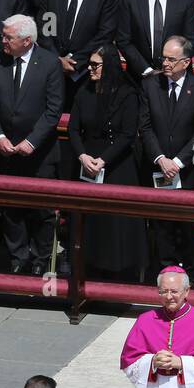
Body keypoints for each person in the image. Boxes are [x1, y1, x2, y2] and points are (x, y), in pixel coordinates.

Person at [0, 14, 64, 275]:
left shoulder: (50, 63)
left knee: (41, 210)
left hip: (40, 152)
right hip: (6, 148)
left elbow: (53, 110)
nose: (2, 40)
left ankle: (40, 259)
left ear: (27, 41)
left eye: (8, 37)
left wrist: (31, 141)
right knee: (11, 208)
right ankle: (18, 257)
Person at [68, 42, 146, 279]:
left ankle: (118, 273)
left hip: (116, 162)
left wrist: (102, 160)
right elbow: (73, 129)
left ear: (108, 65)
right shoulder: (84, 91)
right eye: (89, 64)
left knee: (115, 223)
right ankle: (87, 268)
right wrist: (82, 155)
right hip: (87, 160)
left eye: (95, 65)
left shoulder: (127, 94)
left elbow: (127, 134)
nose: (90, 69)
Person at [138, 36, 194, 279]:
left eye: (171, 59)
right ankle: (163, 274)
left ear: (187, 62)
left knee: (187, 228)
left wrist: (177, 163)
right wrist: (161, 158)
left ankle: (189, 274)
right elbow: (145, 127)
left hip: (188, 171)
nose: (165, 63)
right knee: (162, 227)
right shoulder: (150, 85)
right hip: (158, 168)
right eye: (163, 58)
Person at [30, 0, 122, 103]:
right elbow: (45, 29)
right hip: (52, 73)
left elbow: (105, 34)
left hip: (85, 74)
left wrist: (76, 62)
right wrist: (57, 60)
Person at [119, 0, 194, 79]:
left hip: (176, 76)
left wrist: (171, 66)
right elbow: (123, 41)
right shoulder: (130, 0)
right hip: (139, 77)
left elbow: (190, 41)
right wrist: (146, 70)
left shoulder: (185, 0)